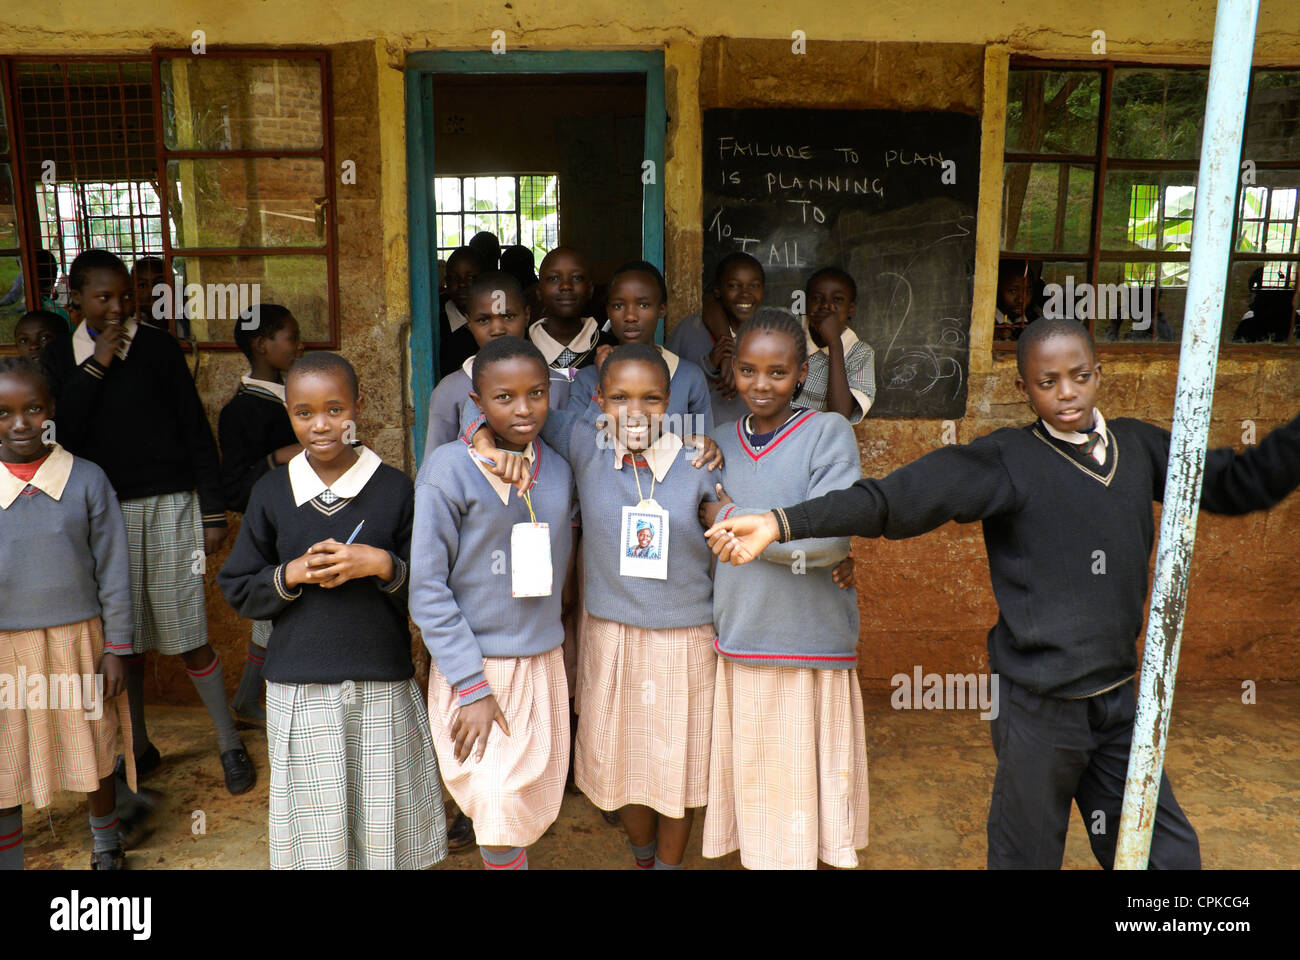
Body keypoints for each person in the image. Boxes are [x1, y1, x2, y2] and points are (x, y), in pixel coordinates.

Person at [707, 316, 1300, 870]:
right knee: (1025, 856)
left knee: (1166, 856)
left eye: (1078, 376)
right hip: (1037, 708)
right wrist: (783, 523)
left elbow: (1242, 482)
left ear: (1099, 374)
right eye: (1047, 381)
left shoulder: (1141, 447)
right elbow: (896, 500)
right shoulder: (1007, 459)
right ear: (1024, 388)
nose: (1066, 392)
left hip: (1121, 700)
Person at [465, 342, 724, 869]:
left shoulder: (697, 459)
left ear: (671, 401)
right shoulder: (585, 441)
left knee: (678, 768)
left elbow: (732, 523)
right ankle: (643, 858)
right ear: (599, 402)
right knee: (622, 766)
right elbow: (507, 410)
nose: (636, 412)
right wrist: (483, 441)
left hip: (687, 639)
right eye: (620, 397)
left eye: (652, 399)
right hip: (611, 636)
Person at [218, 352, 448, 869]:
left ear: (358, 408)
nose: (320, 425)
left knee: (385, 829)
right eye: (304, 412)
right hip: (299, 688)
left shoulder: (394, 488)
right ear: (290, 415)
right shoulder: (273, 492)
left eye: (334, 409)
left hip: (382, 683)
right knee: (317, 836)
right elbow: (237, 585)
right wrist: (291, 574)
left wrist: (383, 564)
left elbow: (432, 591)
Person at [41, 250, 253, 795]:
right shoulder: (63, 359)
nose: (115, 309)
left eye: (124, 298)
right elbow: (61, 436)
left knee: (188, 633)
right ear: (76, 301)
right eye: (102, 298)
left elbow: (194, 429)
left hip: (169, 505)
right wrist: (97, 365)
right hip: (100, 513)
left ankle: (229, 742)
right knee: (123, 640)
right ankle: (137, 749)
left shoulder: (157, 348)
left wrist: (211, 509)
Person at [693, 309, 868, 870]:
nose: (761, 384)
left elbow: (832, 539)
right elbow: (691, 522)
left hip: (809, 640)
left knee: (806, 792)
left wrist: (733, 518)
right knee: (760, 787)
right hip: (742, 638)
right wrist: (714, 515)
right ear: (732, 370)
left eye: (777, 372)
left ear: (801, 376)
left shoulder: (827, 433)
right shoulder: (717, 442)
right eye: (747, 370)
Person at [411, 337, 573, 870]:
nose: (523, 409)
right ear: (477, 403)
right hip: (477, 669)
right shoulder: (447, 471)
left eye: (537, 394)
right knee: (497, 809)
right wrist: (471, 686)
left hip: (543, 663)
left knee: (520, 807)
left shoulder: (561, 468)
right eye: (504, 397)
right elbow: (428, 591)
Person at [0, 358, 138, 869]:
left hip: (80, 641)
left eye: (33, 409)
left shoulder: (87, 479)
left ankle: (106, 846)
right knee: (5, 757)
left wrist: (117, 648)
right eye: (4, 412)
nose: (20, 423)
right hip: (5, 649)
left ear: (51, 411)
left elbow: (115, 569)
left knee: (94, 750)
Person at [218, 304, 303, 727]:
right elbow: (233, 487)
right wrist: (277, 458)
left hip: (300, 518)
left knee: (274, 612)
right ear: (262, 344)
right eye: (290, 337)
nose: (298, 345)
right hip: (271, 526)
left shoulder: (295, 393)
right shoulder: (241, 412)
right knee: (275, 608)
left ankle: (249, 697)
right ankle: (252, 697)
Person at [568, 260, 713, 437]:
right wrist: (605, 381)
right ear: (607, 311)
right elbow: (578, 445)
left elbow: (702, 450)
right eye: (618, 306)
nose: (630, 316)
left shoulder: (689, 377)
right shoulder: (587, 379)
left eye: (643, 305)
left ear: (661, 309)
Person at [424, 271, 530, 456]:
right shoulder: (449, 391)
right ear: (468, 323)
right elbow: (435, 463)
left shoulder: (553, 382)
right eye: (483, 320)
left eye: (508, 317)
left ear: (527, 315)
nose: (497, 329)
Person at [665, 252, 764, 426]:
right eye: (734, 286)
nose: (745, 294)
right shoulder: (691, 330)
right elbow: (665, 384)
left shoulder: (768, 338)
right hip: (691, 440)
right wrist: (710, 364)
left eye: (754, 286)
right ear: (718, 290)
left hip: (744, 443)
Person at [528, 246, 617, 410]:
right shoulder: (523, 348)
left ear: (590, 290)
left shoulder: (609, 347)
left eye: (576, 278)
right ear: (539, 291)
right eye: (554, 278)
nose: (566, 286)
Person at [799, 267, 877, 423]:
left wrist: (835, 342)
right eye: (817, 298)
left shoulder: (860, 353)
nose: (826, 306)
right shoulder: (787, 331)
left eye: (837, 300)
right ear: (806, 304)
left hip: (817, 441)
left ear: (850, 309)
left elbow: (840, 416)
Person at [438, 246, 486, 378]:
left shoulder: (497, 322)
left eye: (470, 278)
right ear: (446, 281)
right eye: (454, 278)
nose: (462, 284)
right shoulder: (437, 324)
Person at [993, 258, 1040, 342]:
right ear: (997, 289)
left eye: (1027, 291)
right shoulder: (985, 322)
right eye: (1013, 291)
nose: (1021, 300)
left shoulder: (1036, 321)